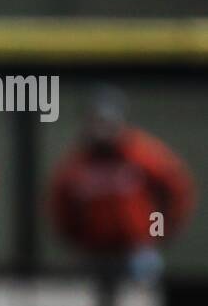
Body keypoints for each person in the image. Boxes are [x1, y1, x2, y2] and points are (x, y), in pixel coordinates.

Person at [47, 91, 195, 282]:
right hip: (92, 254)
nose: (101, 127)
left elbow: (175, 191)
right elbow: (60, 206)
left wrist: (157, 231)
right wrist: (76, 241)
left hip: (136, 252)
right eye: (95, 120)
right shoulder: (78, 162)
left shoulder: (142, 153)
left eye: (106, 120)